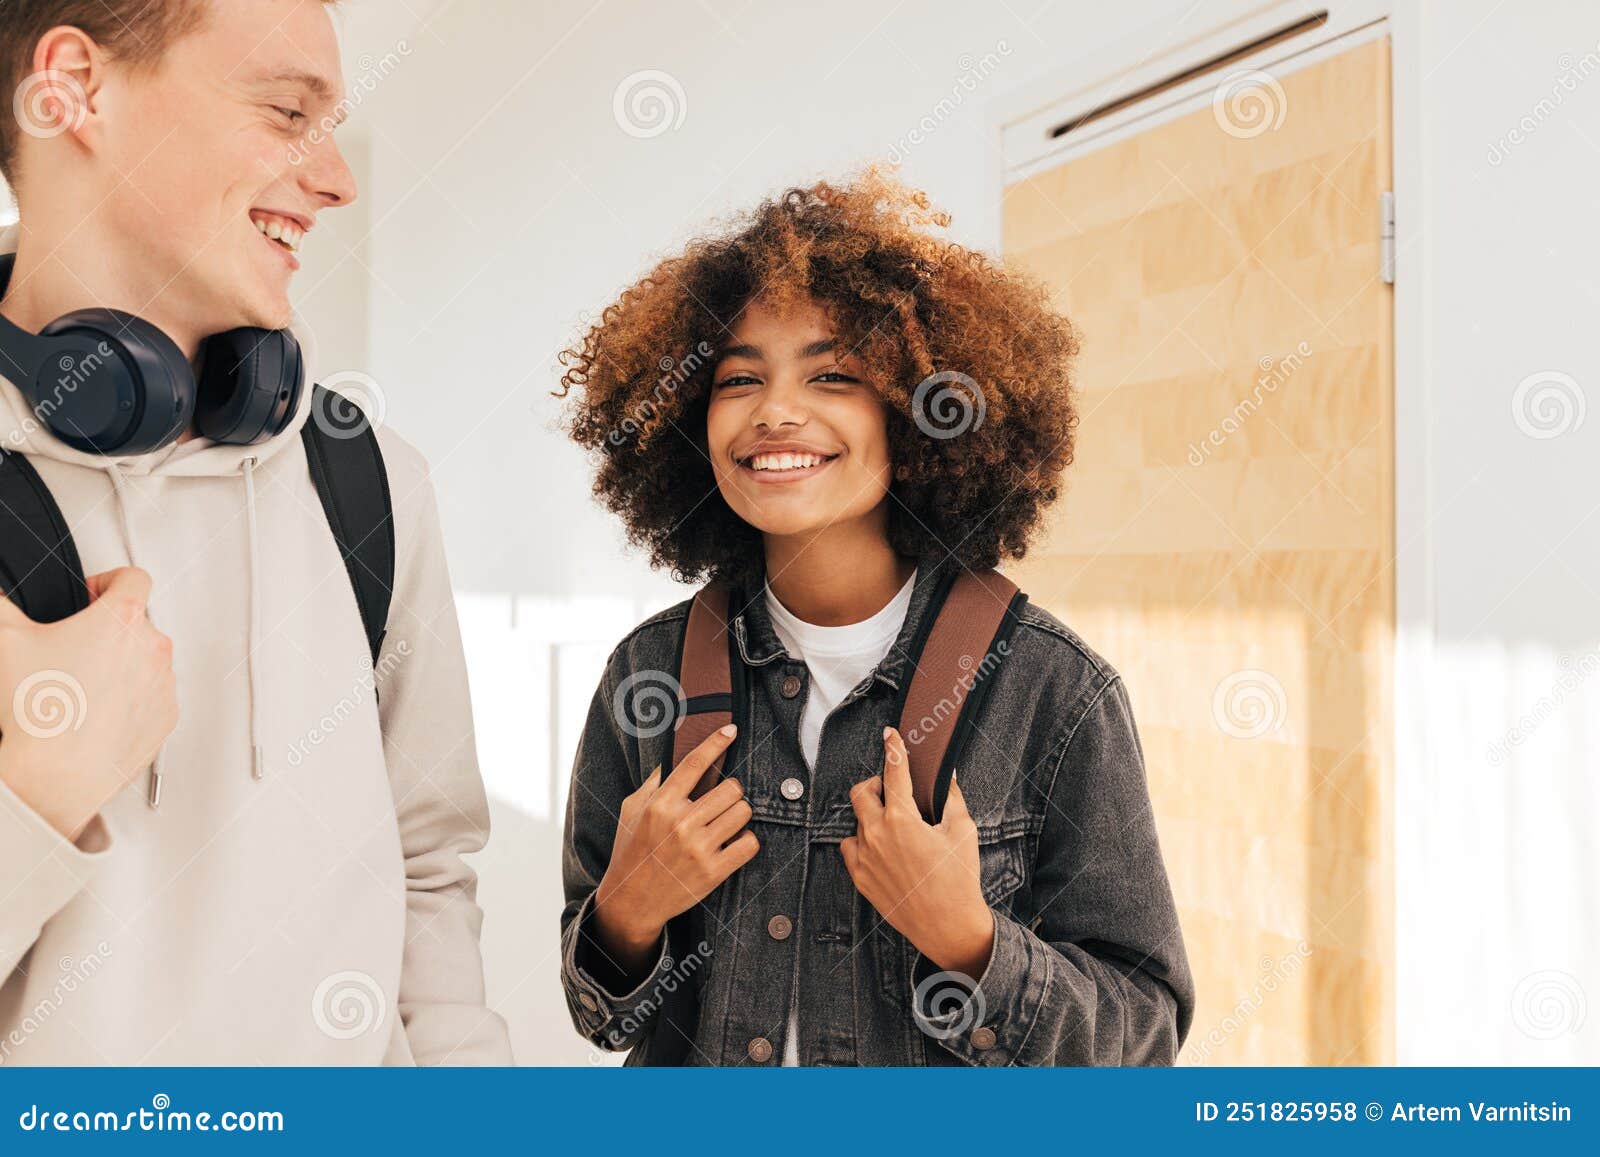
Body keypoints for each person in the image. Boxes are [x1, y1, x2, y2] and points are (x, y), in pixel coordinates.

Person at [555, 170, 1194, 1065]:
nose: (776, 410)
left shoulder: (1053, 687)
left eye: (834, 374)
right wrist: (624, 913)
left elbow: (1145, 1033)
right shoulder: (646, 674)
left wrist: (971, 941)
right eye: (740, 377)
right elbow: (603, 1016)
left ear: (914, 411)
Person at [0, 0, 510, 1065]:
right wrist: (35, 794)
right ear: (74, 90)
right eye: (288, 112)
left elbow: (428, 873)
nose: (336, 181)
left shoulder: (369, 480)